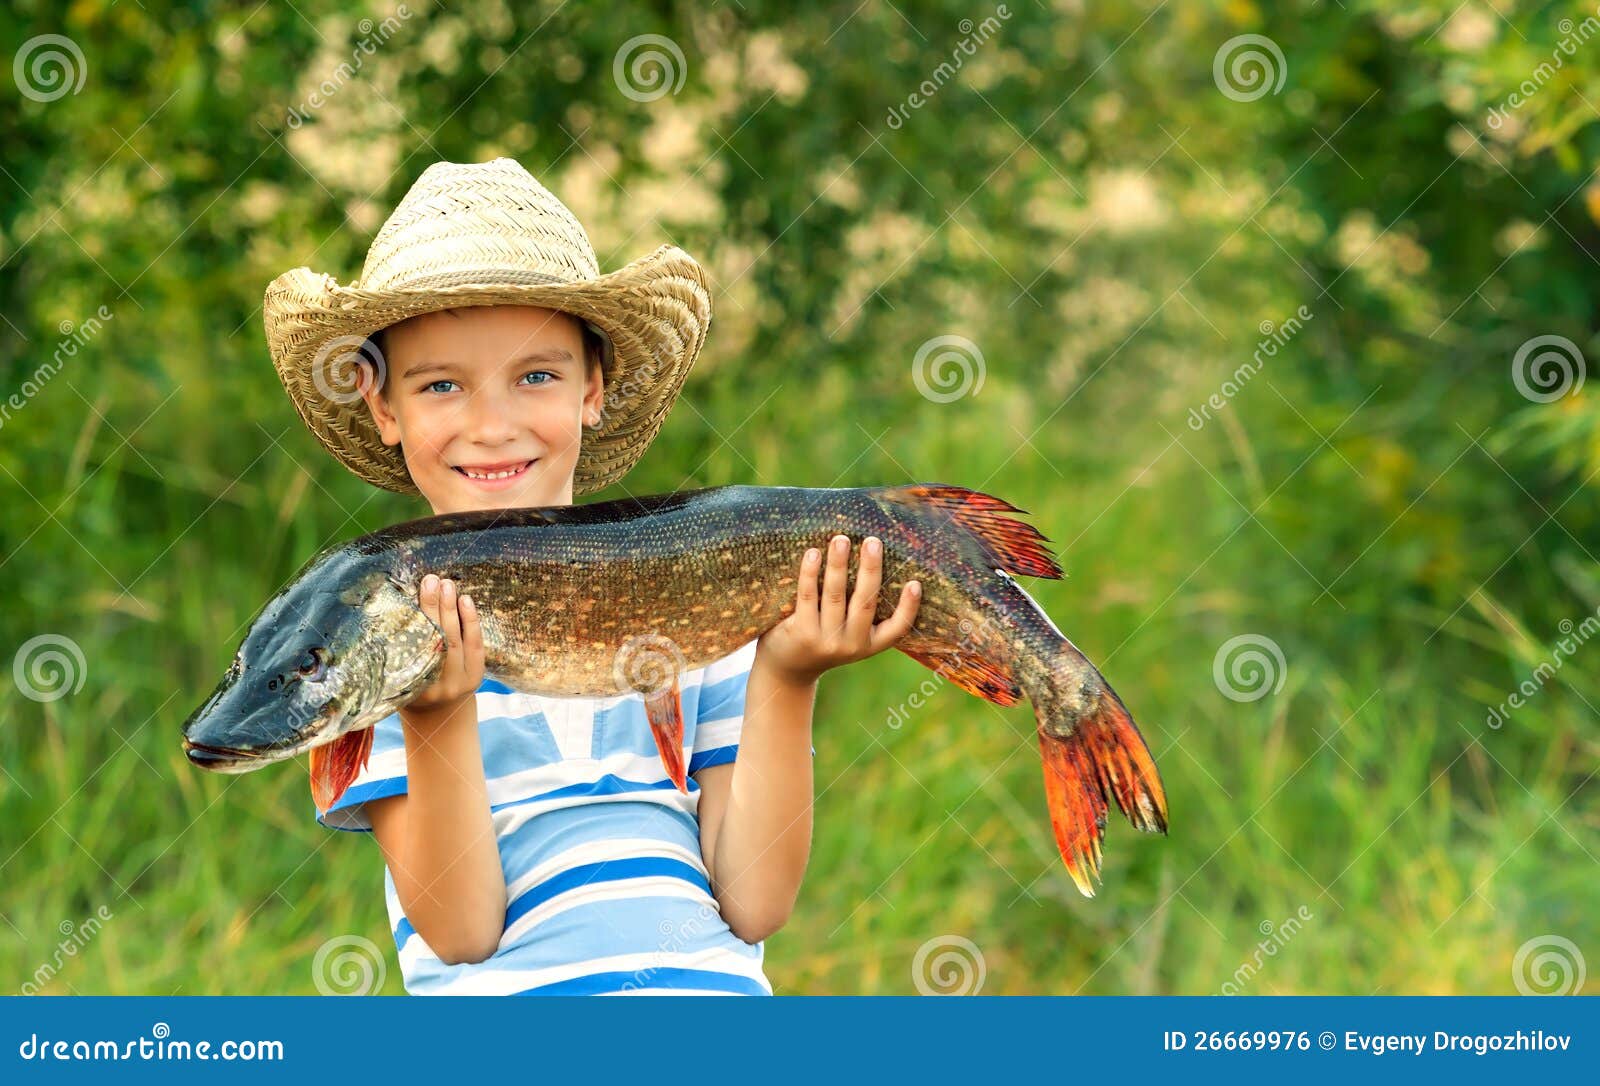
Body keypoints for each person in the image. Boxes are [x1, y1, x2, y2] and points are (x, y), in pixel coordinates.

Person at [261, 157, 922, 994]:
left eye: (535, 376)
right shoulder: (373, 645)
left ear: (593, 389)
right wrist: (437, 716)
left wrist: (788, 677)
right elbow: (463, 933)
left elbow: (754, 903)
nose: (492, 424)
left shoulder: (697, 604)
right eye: (442, 385)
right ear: (386, 409)